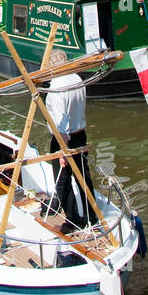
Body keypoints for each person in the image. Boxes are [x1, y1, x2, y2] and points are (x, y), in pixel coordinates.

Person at [44, 49, 98, 230]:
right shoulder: (77, 79)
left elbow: (61, 122)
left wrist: (62, 150)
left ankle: (73, 220)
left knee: (62, 180)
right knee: (84, 177)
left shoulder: (56, 87)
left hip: (63, 139)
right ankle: (92, 216)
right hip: (80, 133)